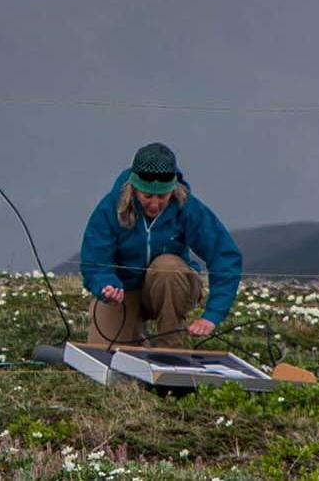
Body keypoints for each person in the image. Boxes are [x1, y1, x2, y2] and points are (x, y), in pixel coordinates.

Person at [77, 142, 243, 349]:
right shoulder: (110, 207)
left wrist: (212, 315)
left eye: (162, 196)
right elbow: (95, 260)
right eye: (147, 196)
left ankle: (168, 347)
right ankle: (138, 339)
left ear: (173, 190)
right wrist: (106, 285)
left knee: (168, 267)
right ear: (134, 189)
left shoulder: (187, 207)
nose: (154, 204)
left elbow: (224, 255)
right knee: (102, 354)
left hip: (171, 287)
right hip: (123, 292)